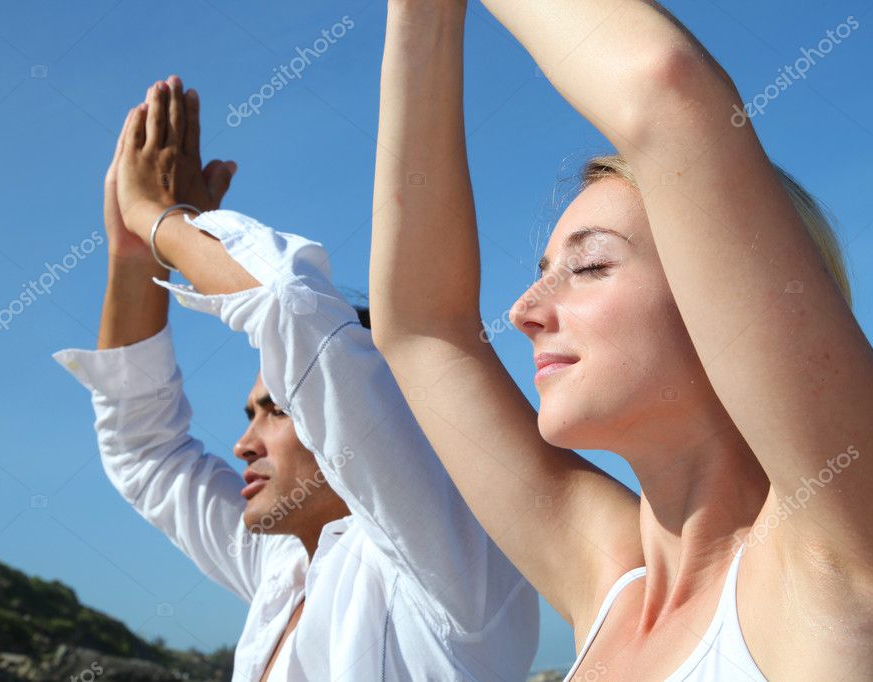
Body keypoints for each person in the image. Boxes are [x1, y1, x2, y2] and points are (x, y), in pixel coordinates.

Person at [369, 2, 873, 680]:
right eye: (543, 274)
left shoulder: (842, 557)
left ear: (723, 296)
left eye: (591, 265)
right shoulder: (611, 581)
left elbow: (665, 90)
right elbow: (423, 331)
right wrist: (419, 15)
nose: (521, 312)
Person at [53, 75, 537, 681]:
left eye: (279, 408)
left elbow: (291, 308)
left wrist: (160, 220)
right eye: (251, 414)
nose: (243, 444)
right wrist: (134, 254)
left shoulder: (444, 553)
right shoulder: (282, 566)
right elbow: (143, 452)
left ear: (383, 411)